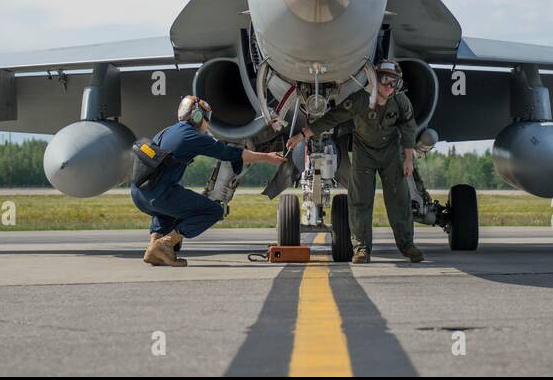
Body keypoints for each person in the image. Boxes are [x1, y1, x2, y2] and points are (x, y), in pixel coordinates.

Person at [133, 95, 286, 267]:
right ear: (197, 116)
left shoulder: (167, 131)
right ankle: (166, 243)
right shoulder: (192, 136)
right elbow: (232, 153)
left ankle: (155, 246)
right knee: (213, 211)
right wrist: (267, 157)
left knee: (166, 209)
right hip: (160, 195)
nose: (207, 123)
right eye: (206, 117)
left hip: (140, 195)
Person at [299, 60, 424, 264]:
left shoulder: (401, 102)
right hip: (364, 153)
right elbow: (332, 118)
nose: (389, 86)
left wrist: (409, 159)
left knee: (399, 199)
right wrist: (303, 134)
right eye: (384, 80)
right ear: (374, 79)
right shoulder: (359, 100)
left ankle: (408, 246)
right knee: (360, 201)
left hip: (391, 153)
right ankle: (361, 248)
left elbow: (409, 128)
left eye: (394, 82)